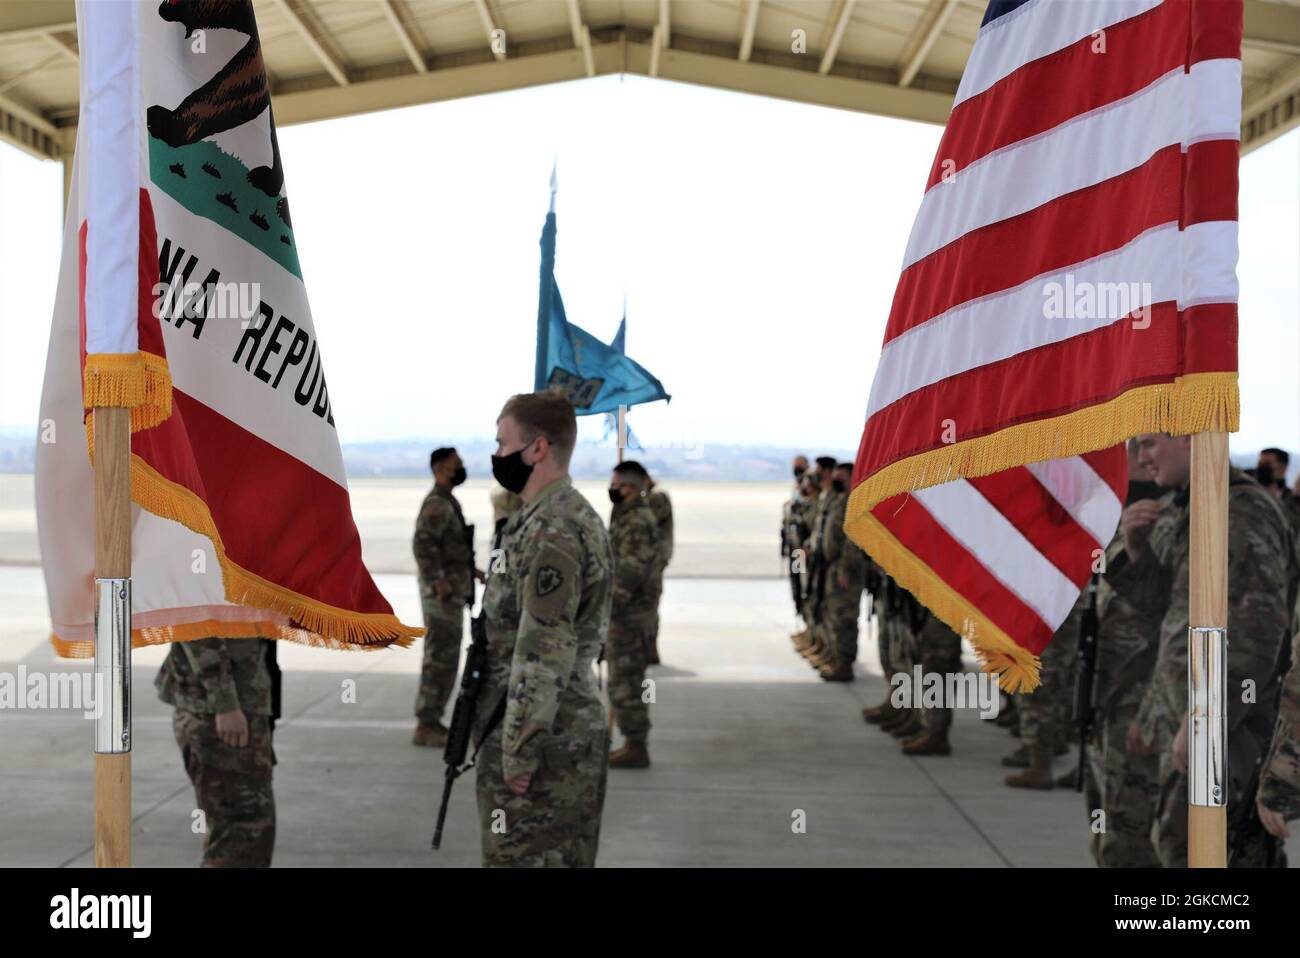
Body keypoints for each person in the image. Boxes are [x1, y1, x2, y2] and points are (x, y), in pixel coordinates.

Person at [1106, 433, 1295, 867]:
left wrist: (1206, 719)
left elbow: (1256, 632)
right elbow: (1168, 613)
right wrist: (1135, 551)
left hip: (1226, 728)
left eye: (1150, 444)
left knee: (1213, 852)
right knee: (1180, 847)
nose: (1142, 458)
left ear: (1192, 441)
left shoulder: (1238, 511)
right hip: (1188, 720)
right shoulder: (1189, 505)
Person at [474, 390, 613, 867]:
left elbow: (542, 650)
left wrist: (520, 748)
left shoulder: (551, 529)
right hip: (552, 731)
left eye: (503, 442)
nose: (497, 454)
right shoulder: (549, 517)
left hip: (546, 743)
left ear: (537, 449)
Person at [1081, 445, 1162, 865]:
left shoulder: (1167, 515)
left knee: (1129, 829)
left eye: (1149, 443)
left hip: (1142, 695)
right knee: (1104, 817)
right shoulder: (1113, 510)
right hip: (1107, 689)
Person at [156, 636, 277, 867]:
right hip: (219, 711)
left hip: (238, 702)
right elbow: (197, 627)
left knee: (248, 829)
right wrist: (225, 703)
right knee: (240, 831)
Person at [412, 447, 483, 747]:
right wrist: (438, 581)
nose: (462, 468)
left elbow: (449, 548)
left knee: (447, 656)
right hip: (442, 597)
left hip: (452, 591)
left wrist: (471, 571)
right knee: (440, 658)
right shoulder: (436, 505)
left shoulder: (447, 502)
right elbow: (422, 545)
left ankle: (432, 719)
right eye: (457, 464)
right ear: (441, 469)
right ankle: (427, 723)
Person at [606, 460, 662, 768]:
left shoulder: (638, 521)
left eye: (616, 484)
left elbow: (630, 572)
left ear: (630, 487)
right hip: (624, 615)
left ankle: (636, 745)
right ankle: (632, 742)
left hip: (630, 617)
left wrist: (606, 605)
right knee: (622, 681)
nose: (612, 489)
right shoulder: (625, 515)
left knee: (626, 682)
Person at [814, 462, 867, 681]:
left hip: (847, 569)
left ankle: (845, 664)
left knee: (845, 618)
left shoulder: (854, 502)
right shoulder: (839, 500)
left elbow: (853, 539)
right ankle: (836, 658)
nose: (836, 480)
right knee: (833, 615)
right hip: (834, 566)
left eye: (841, 477)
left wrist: (845, 568)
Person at [644, 470, 674, 665]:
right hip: (651, 560)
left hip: (652, 561)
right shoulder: (652, 495)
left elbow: (647, 521)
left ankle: (649, 650)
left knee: (648, 606)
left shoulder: (656, 497)